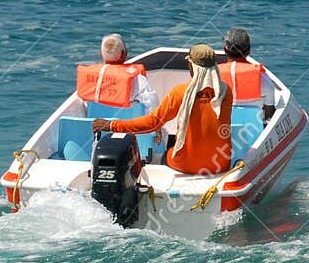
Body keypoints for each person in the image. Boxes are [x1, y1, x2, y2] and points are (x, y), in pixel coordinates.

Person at [92, 43, 233, 176]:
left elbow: (153, 123)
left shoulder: (180, 92)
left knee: (165, 155)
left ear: (191, 65)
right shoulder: (226, 92)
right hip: (220, 164)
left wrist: (111, 125)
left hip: (186, 165)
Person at [77, 33, 157, 111]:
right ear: (123, 54)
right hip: (125, 123)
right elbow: (152, 106)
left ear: (102, 53)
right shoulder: (137, 79)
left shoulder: (86, 78)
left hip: (94, 123)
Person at [219, 26, 265, 107]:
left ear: (225, 50)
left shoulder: (214, 73)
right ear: (249, 50)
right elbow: (270, 97)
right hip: (252, 117)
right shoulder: (260, 76)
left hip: (222, 116)